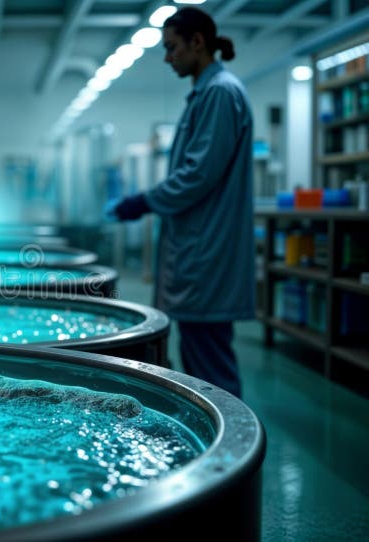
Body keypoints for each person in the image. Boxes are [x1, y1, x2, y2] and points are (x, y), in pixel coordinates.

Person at [110, 6, 254, 398]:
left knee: (210, 370)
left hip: (206, 253)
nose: (167, 57)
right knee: (202, 361)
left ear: (198, 42)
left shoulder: (220, 93)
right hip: (198, 250)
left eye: (172, 47)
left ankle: (231, 453)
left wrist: (145, 201)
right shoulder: (207, 94)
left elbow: (197, 175)